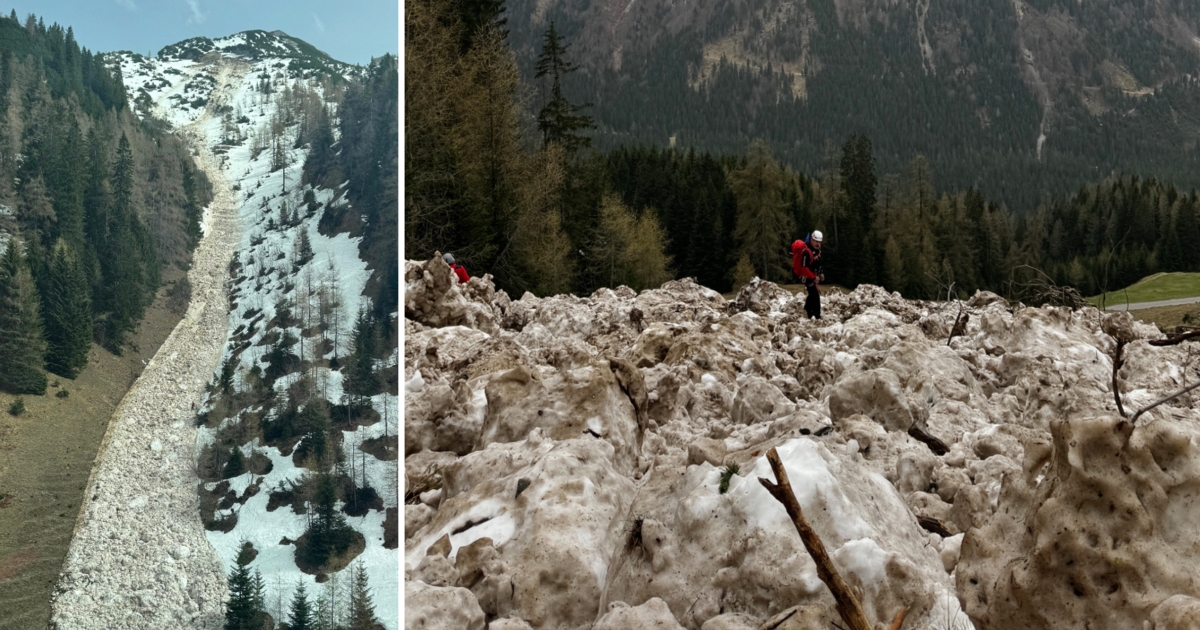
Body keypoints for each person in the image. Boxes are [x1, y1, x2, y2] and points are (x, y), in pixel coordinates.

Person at [791, 230, 824, 319]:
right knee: (815, 295)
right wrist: (814, 278)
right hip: (807, 276)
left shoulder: (816, 250)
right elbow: (804, 269)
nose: (818, 244)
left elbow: (817, 262)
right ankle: (816, 316)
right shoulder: (806, 252)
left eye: (819, 242)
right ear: (812, 240)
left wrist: (820, 273)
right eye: (816, 241)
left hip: (812, 275)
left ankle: (807, 310)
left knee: (812, 293)